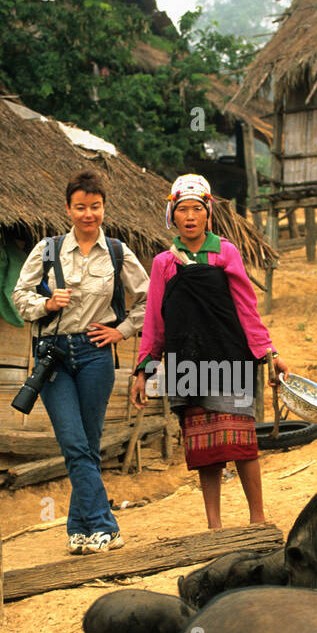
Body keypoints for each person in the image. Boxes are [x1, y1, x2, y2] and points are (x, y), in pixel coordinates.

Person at [130, 173, 288, 529]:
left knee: (242, 440)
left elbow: (247, 307)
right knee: (204, 450)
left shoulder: (225, 252)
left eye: (196, 210)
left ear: (207, 214)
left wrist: (269, 353)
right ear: (173, 215)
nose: (189, 216)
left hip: (230, 358)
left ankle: (258, 519)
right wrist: (144, 367)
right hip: (187, 362)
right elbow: (156, 319)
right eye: (182, 209)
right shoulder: (163, 263)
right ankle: (214, 525)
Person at [12, 169, 149, 554]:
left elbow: (149, 300)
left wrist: (121, 331)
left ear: (104, 207)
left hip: (95, 354)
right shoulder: (48, 249)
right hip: (53, 355)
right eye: (80, 207)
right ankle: (106, 524)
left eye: (95, 206)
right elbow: (19, 296)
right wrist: (46, 303)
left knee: (87, 443)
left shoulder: (119, 253)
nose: (88, 214)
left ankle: (79, 527)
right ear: (68, 208)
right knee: (74, 442)